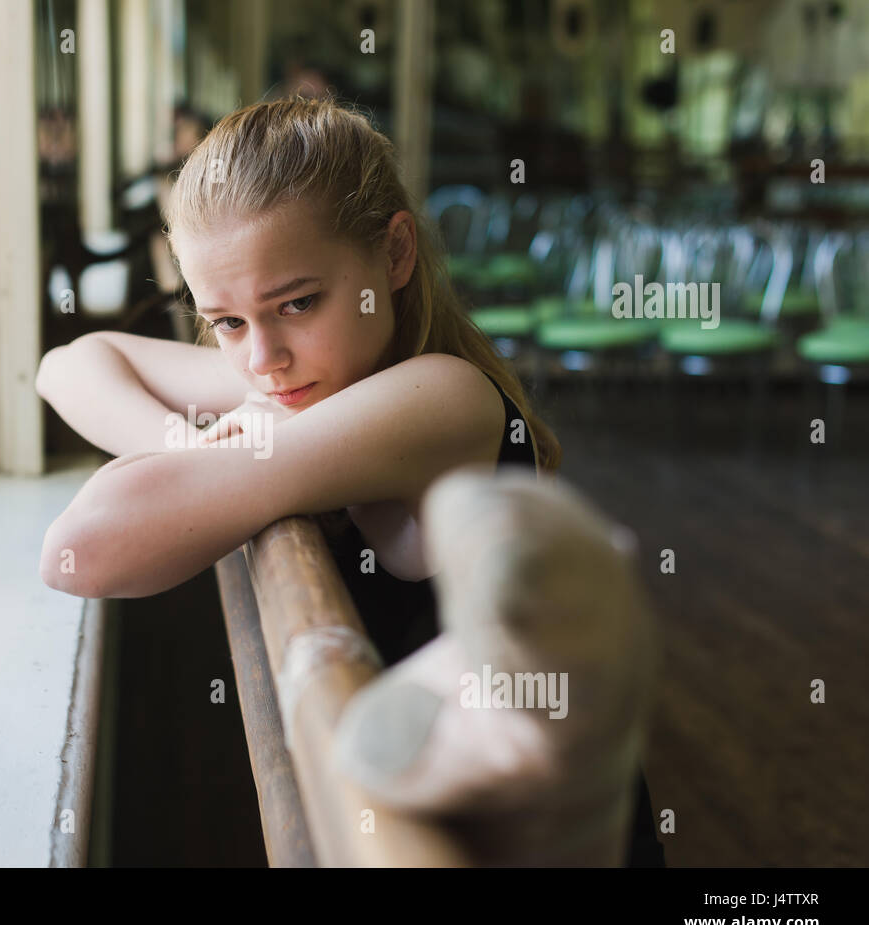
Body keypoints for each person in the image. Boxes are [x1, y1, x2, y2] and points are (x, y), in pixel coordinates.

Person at [35, 94, 664, 866]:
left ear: (394, 255)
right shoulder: (295, 380)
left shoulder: (442, 394)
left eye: (299, 301)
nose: (262, 356)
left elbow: (83, 543)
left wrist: (231, 445)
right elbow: (69, 364)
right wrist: (193, 442)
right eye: (224, 321)